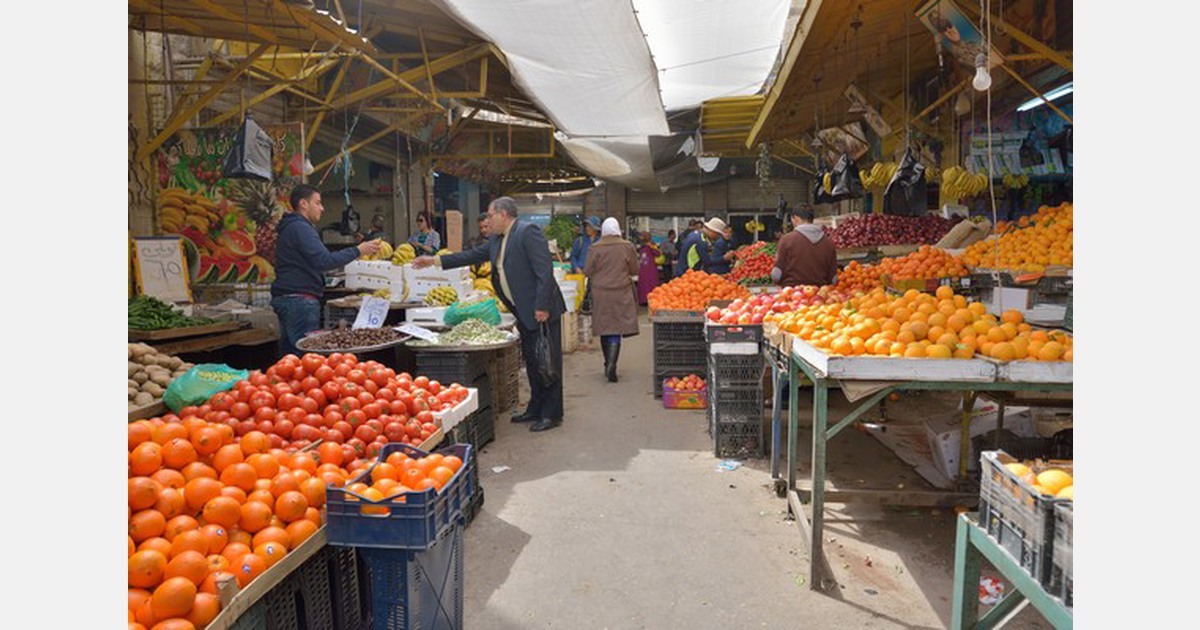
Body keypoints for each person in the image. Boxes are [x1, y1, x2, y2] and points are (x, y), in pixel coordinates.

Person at [411, 197, 567, 432]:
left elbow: (544, 270)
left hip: (541, 310)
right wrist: (433, 260)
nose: (487, 220)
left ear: (503, 215)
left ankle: (552, 414)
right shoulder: (497, 239)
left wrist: (542, 306)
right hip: (522, 311)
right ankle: (536, 407)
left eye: (490, 215)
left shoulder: (527, 232)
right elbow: (471, 256)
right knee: (533, 360)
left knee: (548, 360)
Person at [270, 184, 382, 357]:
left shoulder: (290, 227)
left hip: (288, 299)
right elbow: (324, 260)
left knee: (290, 360)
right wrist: (358, 250)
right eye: (317, 203)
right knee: (304, 358)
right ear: (303, 204)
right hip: (300, 302)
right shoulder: (300, 228)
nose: (322, 208)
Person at [584, 218, 640, 383]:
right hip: (621, 292)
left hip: (601, 293)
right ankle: (612, 364)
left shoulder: (595, 248)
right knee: (616, 328)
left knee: (605, 327)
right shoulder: (627, 246)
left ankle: (607, 362)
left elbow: (587, 271)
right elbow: (634, 270)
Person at [771, 206, 838, 287]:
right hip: (820, 292)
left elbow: (776, 276)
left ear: (795, 218)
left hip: (792, 292)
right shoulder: (829, 243)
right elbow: (833, 279)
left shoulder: (786, 240)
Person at [634, 231, 661, 306]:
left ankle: (645, 300)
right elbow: (658, 253)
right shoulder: (647, 245)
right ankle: (649, 299)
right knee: (649, 283)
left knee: (645, 284)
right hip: (649, 268)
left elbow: (658, 253)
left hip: (645, 268)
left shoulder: (643, 246)